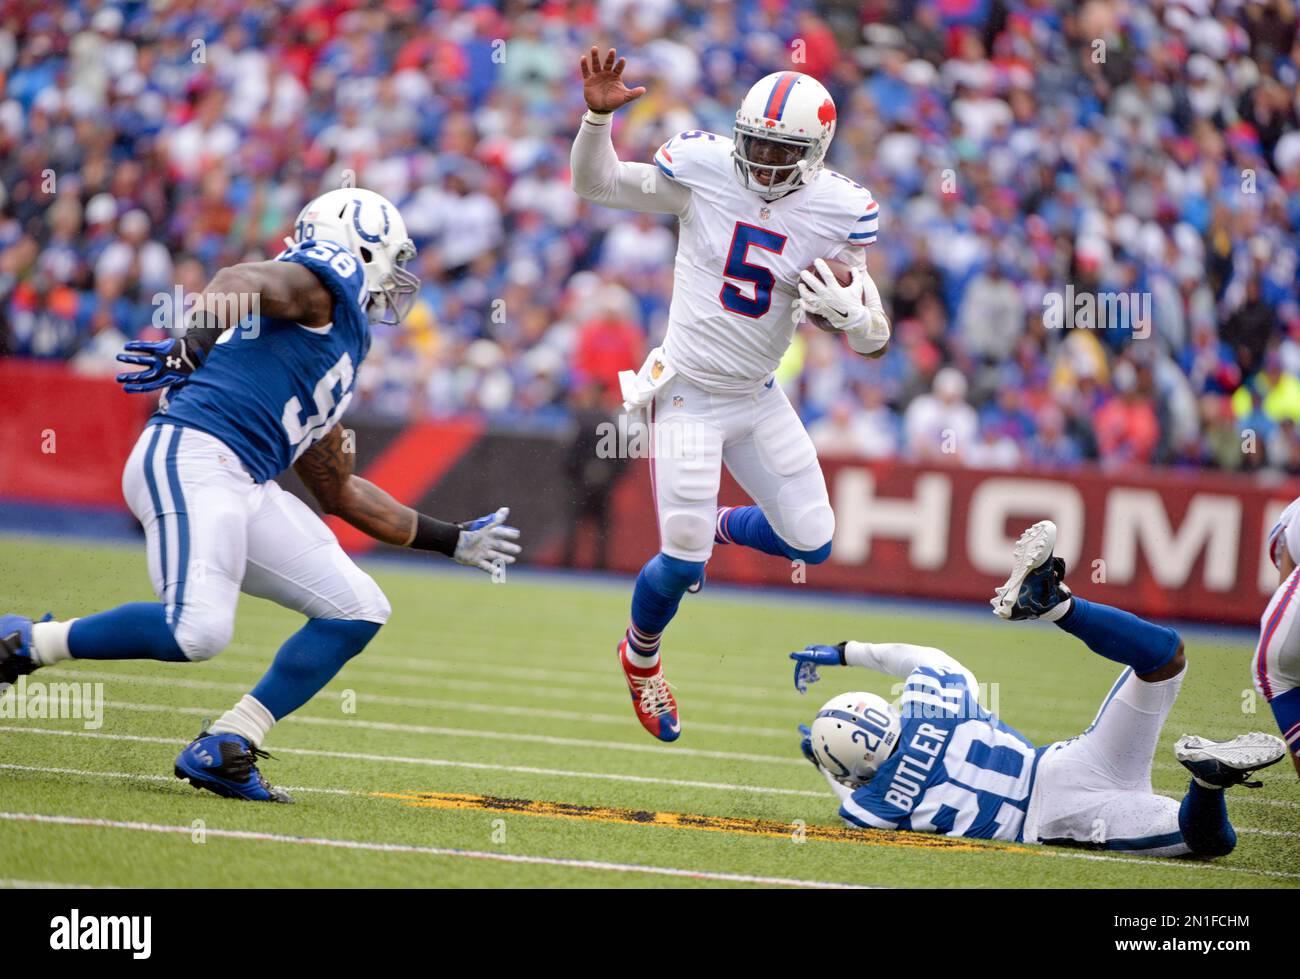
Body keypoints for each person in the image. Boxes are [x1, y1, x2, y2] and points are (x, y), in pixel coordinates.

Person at [0, 188, 522, 802]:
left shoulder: (341, 342)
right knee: (198, 632)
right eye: (393, 254)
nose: (399, 276)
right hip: (194, 451)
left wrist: (451, 539)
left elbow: (340, 490)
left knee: (357, 607)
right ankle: (26, 643)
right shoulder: (330, 281)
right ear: (359, 244)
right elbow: (238, 276)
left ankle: (227, 742)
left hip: (243, 479)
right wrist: (190, 344)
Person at [571, 47, 889, 741]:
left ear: (817, 151)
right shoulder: (705, 168)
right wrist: (597, 120)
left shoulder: (842, 209)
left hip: (758, 395)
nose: (765, 159)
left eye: (783, 149)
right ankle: (641, 657)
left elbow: (876, 337)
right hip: (687, 389)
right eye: (757, 143)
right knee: (681, 561)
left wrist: (855, 319)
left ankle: (717, 525)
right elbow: (597, 187)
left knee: (814, 540)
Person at [789, 520, 1285, 854]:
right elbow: (912, 658)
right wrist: (843, 651)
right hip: (1063, 762)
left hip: (1056, 814)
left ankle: (1209, 781)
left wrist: (823, 761)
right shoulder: (932, 700)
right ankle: (1057, 608)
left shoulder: (873, 806)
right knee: (1164, 658)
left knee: (1208, 840)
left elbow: (851, 797)